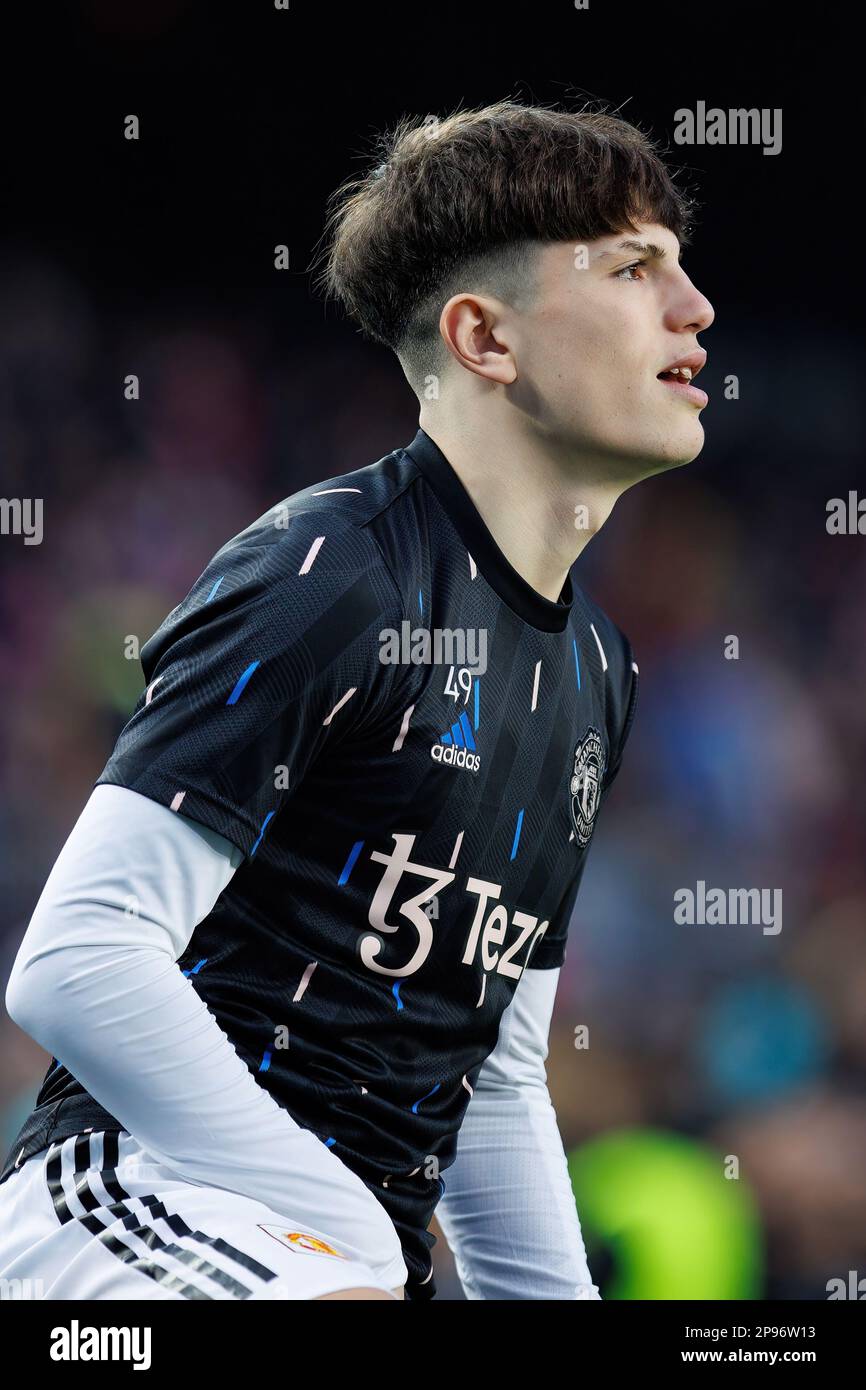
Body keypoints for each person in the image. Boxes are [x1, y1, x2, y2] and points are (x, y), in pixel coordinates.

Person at [0, 99, 713, 1301]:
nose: (693, 306)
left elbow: (491, 1077)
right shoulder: (327, 573)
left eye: (681, 268)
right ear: (484, 339)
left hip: (331, 1260)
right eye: (635, 267)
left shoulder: (598, 670)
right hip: (129, 1202)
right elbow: (76, 961)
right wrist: (346, 1235)